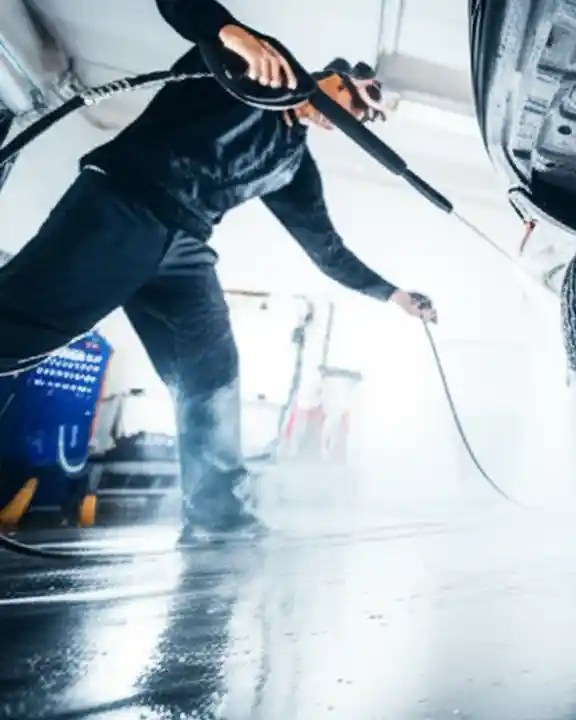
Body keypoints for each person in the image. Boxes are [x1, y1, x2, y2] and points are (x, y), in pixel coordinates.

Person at [0, 0, 437, 540]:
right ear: (334, 76)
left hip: (185, 247)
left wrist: (393, 295)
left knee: (210, 370)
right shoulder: (255, 67)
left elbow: (327, 250)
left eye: (365, 119)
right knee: (26, 326)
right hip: (124, 203)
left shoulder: (293, 166)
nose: (355, 118)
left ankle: (217, 516)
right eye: (357, 100)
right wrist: (233, 34)